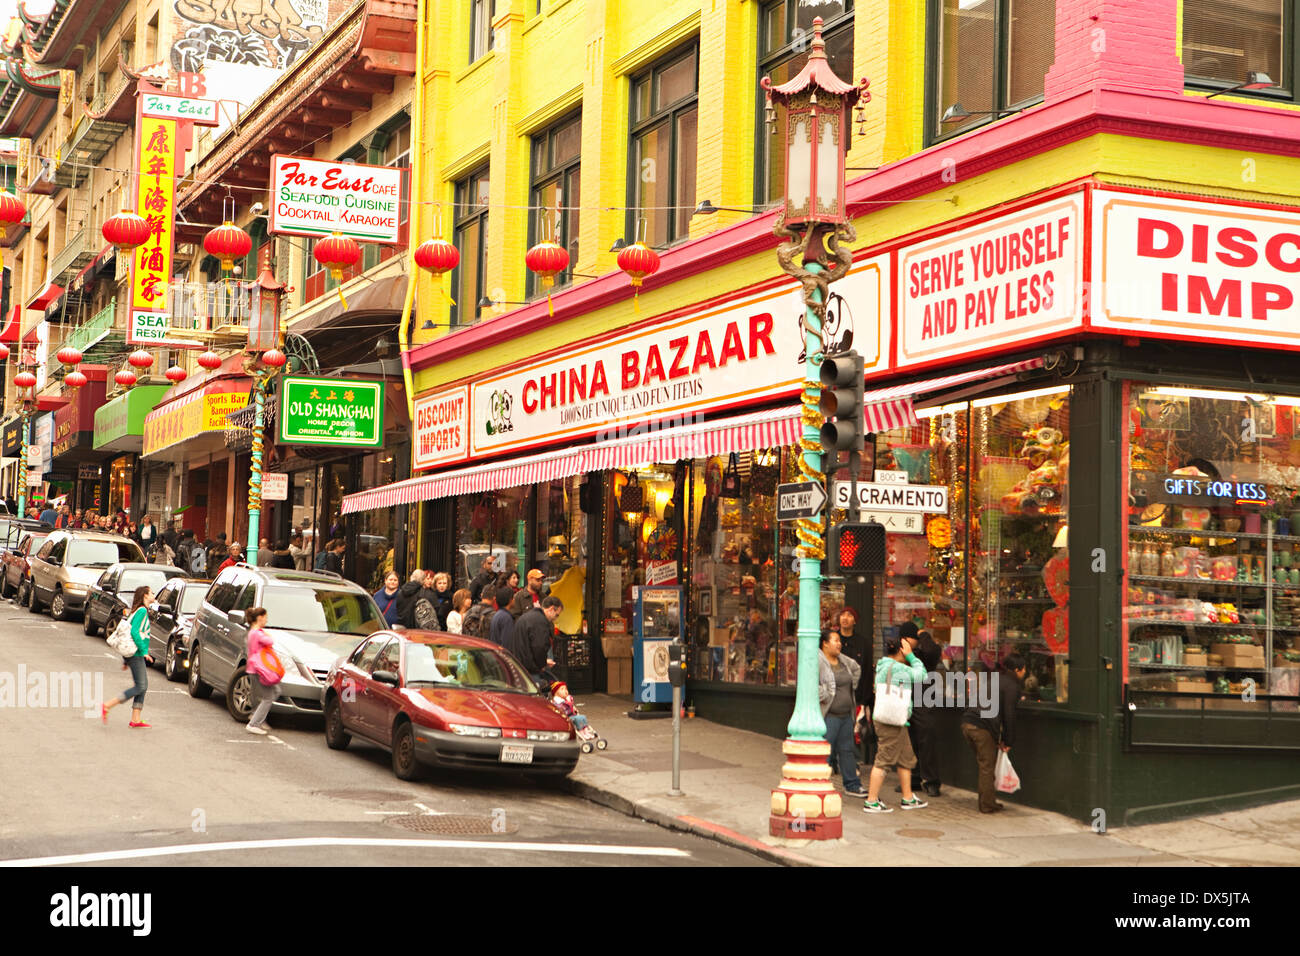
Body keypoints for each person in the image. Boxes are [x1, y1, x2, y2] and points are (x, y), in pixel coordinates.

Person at [862, 631, 929, 813]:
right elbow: (922, 675)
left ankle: (907, 798)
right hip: (892, 721)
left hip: (895, 720)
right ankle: (872, 801)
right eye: (906, 649)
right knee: (883, 759)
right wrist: (911, 656)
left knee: (905, 758)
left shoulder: (884, 665)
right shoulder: (898, 668)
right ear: (901, 650)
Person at [961, 653, 1026, 814]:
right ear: (1017, 670)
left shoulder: (995, 679)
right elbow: (1009, 714)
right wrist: (1008, 740)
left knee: (985, 764)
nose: (1025, 672)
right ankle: (987, 805)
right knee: (987, 766)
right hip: (981, 727)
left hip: (967, 723)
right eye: (1024, 669)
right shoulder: (1012, 686)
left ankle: (988, 800)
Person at [819, 631, 867, 797]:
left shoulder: (842, 660)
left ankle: (852, 784)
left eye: (839, 641)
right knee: (825, 751)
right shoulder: (818, 661)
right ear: (825, 643)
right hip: (830, 716)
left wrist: (851, 686)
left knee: (847, 750)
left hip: (846, 715)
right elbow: (811, 682)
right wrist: (825, 695)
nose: (839, 643)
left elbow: (856, 668)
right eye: (835, 640)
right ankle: (819, 783)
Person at [101, 586, 155, 728]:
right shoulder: (142, 611)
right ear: (145, 596)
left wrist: (126, 659)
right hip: (137, 653)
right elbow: (134, 632)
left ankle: (136, 719)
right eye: (151, 593)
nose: (153, 595)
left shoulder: (137, 611)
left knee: (142, 686)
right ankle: (108, 705)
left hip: (133, 654)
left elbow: (126, 635)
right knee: (141, 686)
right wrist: (144, 651)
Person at [906, 627, 944, 797]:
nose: (906, 641)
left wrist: (923, 635)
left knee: (926, 741)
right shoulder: (904, 653)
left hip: (924, 700)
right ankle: (913, 779)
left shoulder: (927, 653)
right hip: (906, 700)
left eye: (909, 637)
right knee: (909, 743)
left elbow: (932, 650)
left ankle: (931, 782)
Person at [243, 607, 281, 735]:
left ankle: (258, 717)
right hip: (260, 669)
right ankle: (254, 723)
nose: (266, 620)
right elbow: (270, 641)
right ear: (259, 618)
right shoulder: (257, 633)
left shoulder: (252, 632)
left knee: (276, 691)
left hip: (255, 668)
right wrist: (267, 634)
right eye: (265, 617)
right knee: (268, 698)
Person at [511, 595, 562, 683]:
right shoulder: (540, 621)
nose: (555, 618)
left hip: (521, 667)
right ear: (551, 609)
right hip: (531, 670)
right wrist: (542, 664)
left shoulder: (527, 617)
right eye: (556, 615)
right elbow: (539, 647)